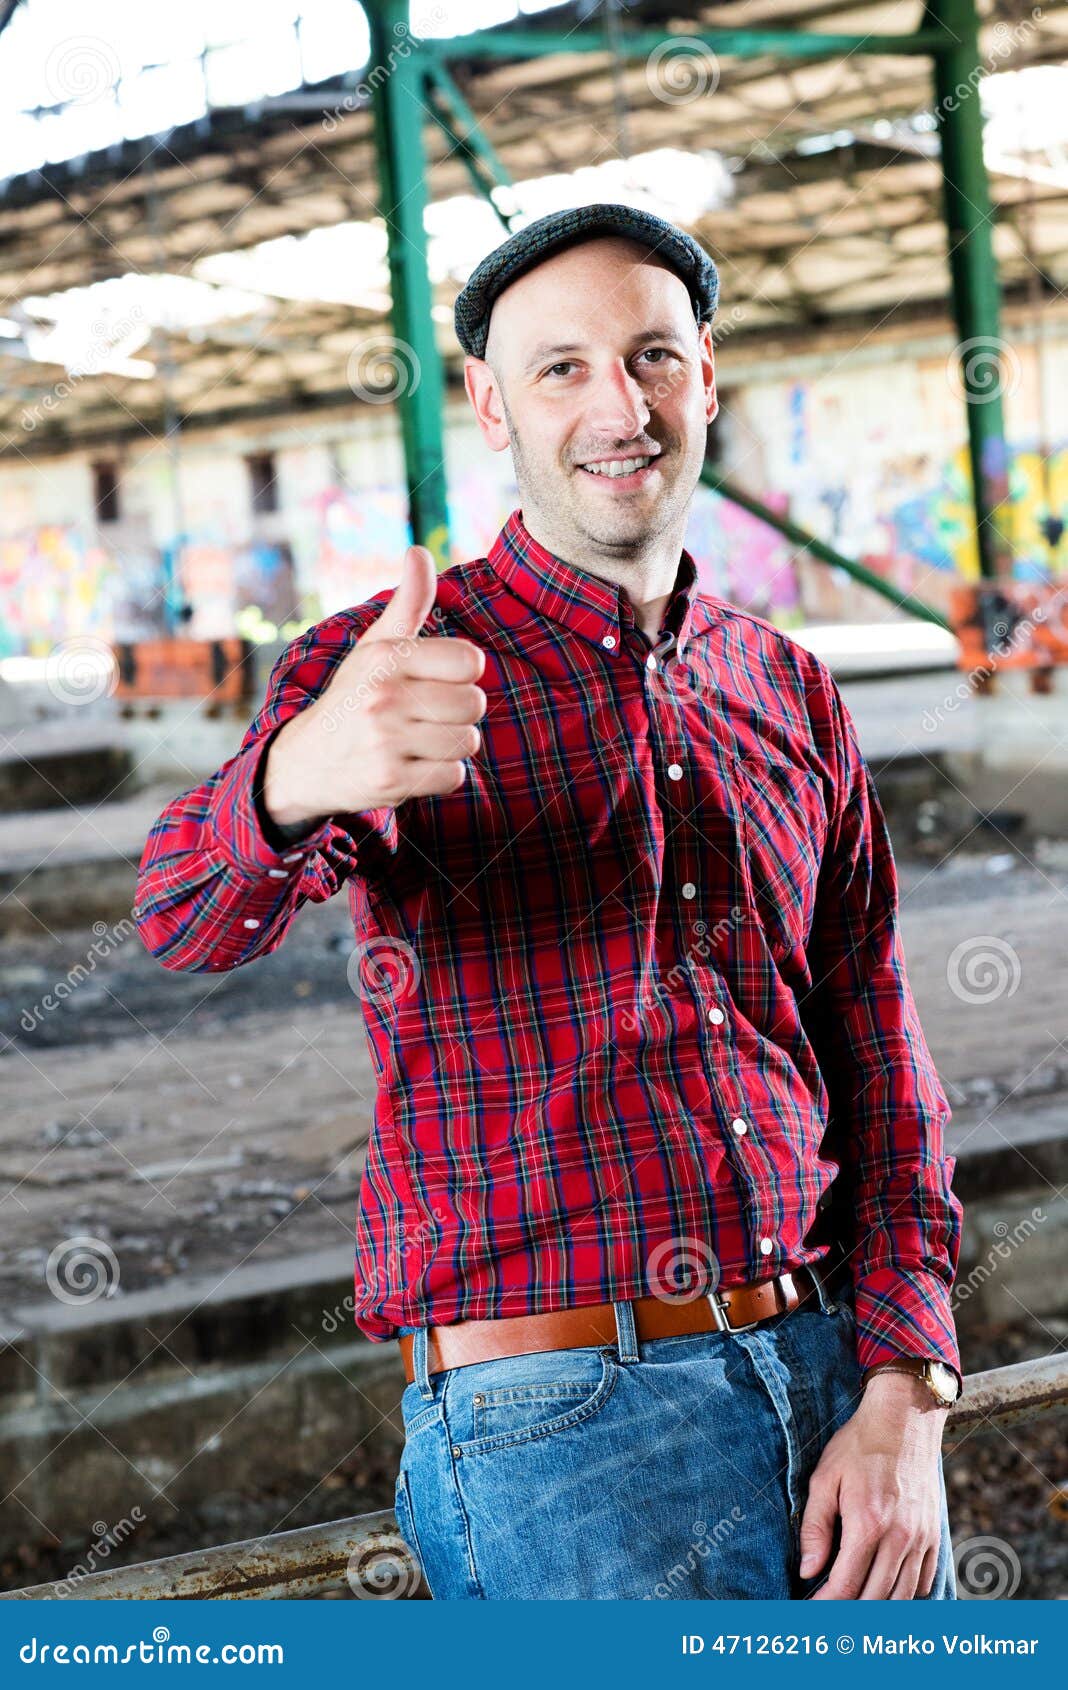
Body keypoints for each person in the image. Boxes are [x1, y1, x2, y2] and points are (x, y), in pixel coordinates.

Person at [133, 203, 964, 1601]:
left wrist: (910, 1385)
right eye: (561, 367)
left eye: (650, 355)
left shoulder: (789, 687)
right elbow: (184, 916)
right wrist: (291, 782)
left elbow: (882, 1048)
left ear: (707, 375)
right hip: (562, 1438)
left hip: (837, 1394)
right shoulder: (389, 670)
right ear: (491, 404)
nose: (617, 405)